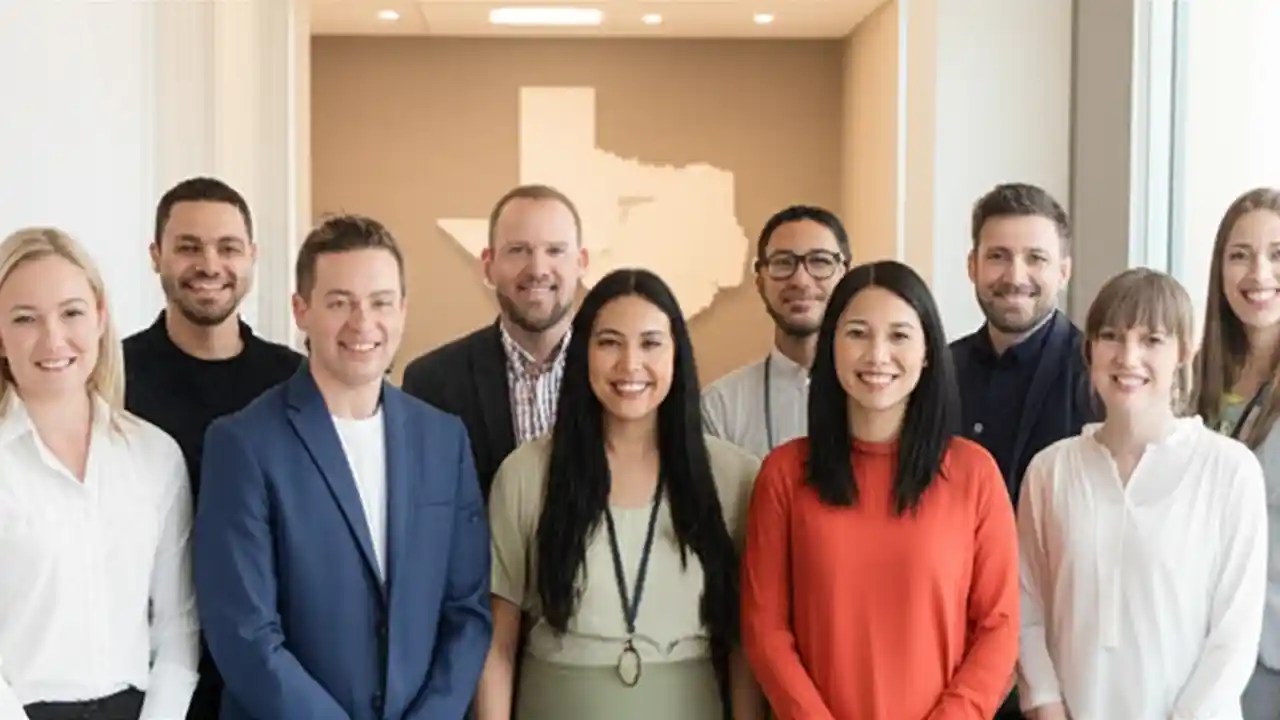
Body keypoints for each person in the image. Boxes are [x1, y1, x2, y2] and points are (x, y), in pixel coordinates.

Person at [194, 215, 492, 719]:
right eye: (339, 303)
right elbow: (245, 634)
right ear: (301, 310)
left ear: (402, 310)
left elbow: (467, 611)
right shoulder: (242, 444)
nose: (362, 323)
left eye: (380, 302)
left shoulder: (444, 439)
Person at [476, 269, 765, 719]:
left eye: (651, 343)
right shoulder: (526, 473)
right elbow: (497, 644)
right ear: (583, 354)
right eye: (609, 342)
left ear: (677, 354)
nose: (630, 364)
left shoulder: (734, 476)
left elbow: (744, 647)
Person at [742, 260, 1018, 719]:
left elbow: (999, 627)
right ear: (831, 346)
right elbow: (764, 627)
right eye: (857, 333)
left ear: (927, 351)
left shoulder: (974, 474)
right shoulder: (784, 475)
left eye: (899, 335)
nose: (877, 355)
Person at [1019, 267, 1267, 719]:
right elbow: (1026, 607)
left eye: (1152, 340)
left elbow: (1233, 637)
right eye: (1111, 337)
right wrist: (1047, 705)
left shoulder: (1230, 471)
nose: (1128, 357)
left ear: (1184, 352)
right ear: (1090, 349)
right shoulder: (1050, 471)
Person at [0, 227, 198, 720]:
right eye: (25, 318)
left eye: (71, 313)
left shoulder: (155, 456)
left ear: (100, 318)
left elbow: (179, 626)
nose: (53, 339)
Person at [122, 176, 302, 719]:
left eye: (228, 248)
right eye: (188, 247)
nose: (209, 265)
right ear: (155, 255)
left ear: (252, 257)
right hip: (145, 670)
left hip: (271, 665)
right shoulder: (111, 378)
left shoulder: (294, 381)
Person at [402, 184, 588, 499]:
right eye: (518, 250)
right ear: (488, 266)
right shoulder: (431, 385)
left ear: (581, 263)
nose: (538, 269)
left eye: (555, 250)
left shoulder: (617, 375)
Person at [1193, 187, 1280, 719]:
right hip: (1197, 648)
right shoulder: (1190, 377)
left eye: (1276, 254)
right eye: (1240, 255)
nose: (1258, 274)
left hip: (1271, 651)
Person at [951, 183, 1096, 499]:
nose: (1015, 277)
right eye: (998, 256)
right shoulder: (939, 370)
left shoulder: (1095, 375)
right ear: (972, 266)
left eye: (1036, 258)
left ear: (1063, 272)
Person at [701, 205, 850, 459]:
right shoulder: (720, 406)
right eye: (783, 263)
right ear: (760, 282)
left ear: (845, 276)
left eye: (820, 261)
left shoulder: (879, 394)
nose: (800, 280)